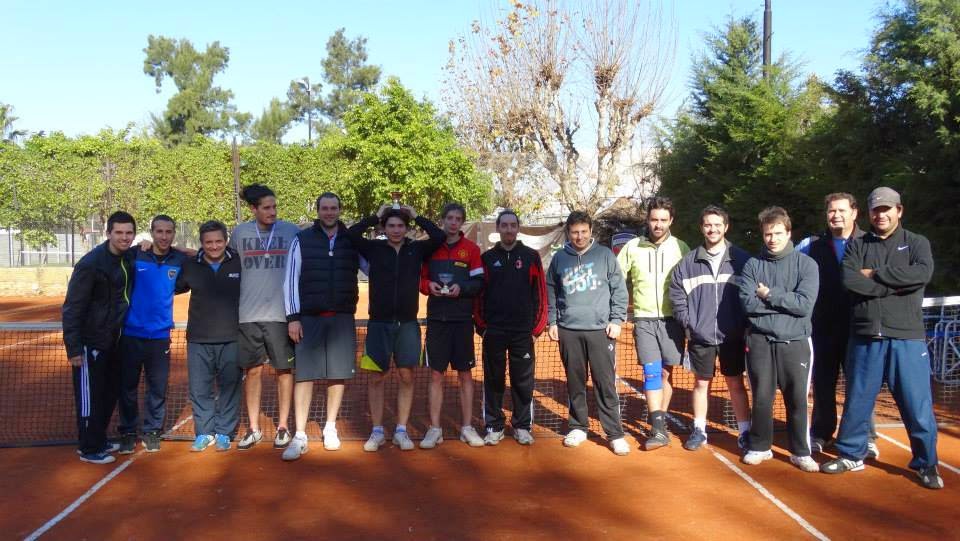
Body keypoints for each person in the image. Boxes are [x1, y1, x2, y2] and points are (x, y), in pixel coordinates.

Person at [821, 187, 943, 490]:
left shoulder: (917, 243)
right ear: (869, 213)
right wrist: (895, 284)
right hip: (865, 336)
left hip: (907, 337)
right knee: (857, 401)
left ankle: (926, 464)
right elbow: (849, 279)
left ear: (898, 211)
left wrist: (873, 275)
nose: (881, 214)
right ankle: (851, 453)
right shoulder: (857, 244)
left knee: (917, 405)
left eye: (887, 209)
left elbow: (921, 275)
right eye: (876, 209)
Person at [347, 204, 444, 452]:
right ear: (384, 227)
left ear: (406, 227)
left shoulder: (416, 248)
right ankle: (377, 430)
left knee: (407, 376)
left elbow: (439, 236)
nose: (396, 230)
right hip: (378, 324)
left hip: (408, 324)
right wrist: (376, 214)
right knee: (376, 377)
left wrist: (416, 215)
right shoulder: (374, 249)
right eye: (390, 225)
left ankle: (401, 430)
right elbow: (352, 234)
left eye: (401, 225)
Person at [796, 193, 879, 459]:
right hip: (823, 328)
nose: (836, 216)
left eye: (842, 210)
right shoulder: (812, 245)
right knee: (823, 383)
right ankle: (821, 432)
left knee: (861, 384)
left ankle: (866, 437)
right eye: (831, 211)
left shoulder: (872, 243)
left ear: (855, 213)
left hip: (861, 327)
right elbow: (786, 260)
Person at [280, 193, 361, 461]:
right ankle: (300, 434)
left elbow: (374, 268)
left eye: (334, 208)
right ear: (317, 211)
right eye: (324, 208)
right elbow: (291, 279)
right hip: (309, 319)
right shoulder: (301, 239)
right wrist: (293, 317)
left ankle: (330, 427)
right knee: (305, 375)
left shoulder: (352, 240)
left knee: (337, 375)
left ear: (340, 210)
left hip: (341, 317)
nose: (329, 212)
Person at [738, 207, 819, 472]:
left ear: (789, 233)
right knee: (762, 397)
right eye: (768, 234)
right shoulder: (753, 265)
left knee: (796, 399)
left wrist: (769, 294)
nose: (772, 238)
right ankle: (760, 446)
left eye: (778, 233)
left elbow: (804, 305)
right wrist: (783, 301)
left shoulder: (806, 265)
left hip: (795, 342)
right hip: (760, 342)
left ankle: (801, 451)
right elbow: (748, 304)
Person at [669, 205, 752, 451]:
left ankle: (745, 431)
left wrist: (743, 325)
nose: (712, 229)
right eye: (708, 225)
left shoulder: (743, 259)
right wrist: (689, 323)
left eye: (717, 225)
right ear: (702, 227)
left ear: (726, 227)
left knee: (735, 384)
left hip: (732, 337)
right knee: (701, 383)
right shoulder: (688, 262)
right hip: (700, 336)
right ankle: (699, 429)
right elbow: (676, 294)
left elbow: (751, 296)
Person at [547, 211, 630, 455]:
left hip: (601, 331)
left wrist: (616, 320)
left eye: (584, 231)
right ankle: (578, 427)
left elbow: (619, 289)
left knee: (605, 384)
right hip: (569, 330)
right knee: (575, 383)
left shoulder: (604, 255)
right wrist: (553, 321)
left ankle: (614, 433)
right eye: (575, 232)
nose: (579, 236)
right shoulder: (560, 258)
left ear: (591, 231)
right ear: (568, 233)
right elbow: (551, 291)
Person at [62, 211, 136, 464]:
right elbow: (73, 307)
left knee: (108, 393)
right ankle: (89, 447)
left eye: (129, 233)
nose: (124, 237)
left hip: (113, 341)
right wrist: (73, 348)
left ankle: (99, 437)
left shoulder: (127, 258)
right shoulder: (91, 264)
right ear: (108, 234)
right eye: (119, 233)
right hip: (89, 342)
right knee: (90, 397)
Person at [231, 184, 301, 451]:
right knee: (253, 372)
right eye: (266, 208)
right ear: (254, 209)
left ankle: (283, 426)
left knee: (284, 371)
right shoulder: (239, 233)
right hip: (247, 316)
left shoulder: (291, 231)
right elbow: (221, 259)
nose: (272, 212)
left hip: (282, 316)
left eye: (274, 207)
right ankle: (253, 428)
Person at [616, 197, 689, 450]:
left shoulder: (681, 247)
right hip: (644, 319)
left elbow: (691, 284)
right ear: (647, 220)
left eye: (663, 220)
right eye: (654, 219)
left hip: (673, 322)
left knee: (667, 374)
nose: (658, 225)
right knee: (651, 372)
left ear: (671, 221)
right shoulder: (632, 247)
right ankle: (658, 429)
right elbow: (616, 279)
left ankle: (658, 419)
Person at [475, 210, 548, 445]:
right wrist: (482, 327)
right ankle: (494, 426)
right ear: (497, 228)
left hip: (522, 333)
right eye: (504, 225)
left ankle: (522, 426)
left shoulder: (531, 256)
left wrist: (536, 329)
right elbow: (478, 295)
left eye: (512, 225)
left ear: (518, 228)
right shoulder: (486, 258)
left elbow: (540, 293)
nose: (508, 229)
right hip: (494, 331)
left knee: (522, 381)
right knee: (494, 380)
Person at [117, 215, 188, 454]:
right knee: (127, 387)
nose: (164, 236)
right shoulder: (136, 254)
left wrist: (179, 248)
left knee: (157, 388)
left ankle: (152, 431)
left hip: (159, 337)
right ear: (152, 232)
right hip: (130, 334)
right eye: (159, 231)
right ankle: (127, 432)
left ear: (174, 234)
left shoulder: (178, 259)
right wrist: (140, 244)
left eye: (169, 232)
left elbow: (198, 256)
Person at [419, 203, 486, 448]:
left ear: (462, 222)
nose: (453, 222)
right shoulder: (431, 249)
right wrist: (429, 287)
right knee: (435, 375)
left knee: (465, 375)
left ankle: (467, 427)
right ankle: (435, 428)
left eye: (458, 219)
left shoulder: (472, 249)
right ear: (443, 220)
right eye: (449, 218)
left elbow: (479, 282)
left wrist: (462, 289)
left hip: (462, 321)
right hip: (437, 320)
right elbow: (421, 279)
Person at [175, 221, 243, 452]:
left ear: (226, 241)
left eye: (218, 241)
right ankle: (204, 432)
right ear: (201, 244)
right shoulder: (190, 265)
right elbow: (169, 281)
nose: (214, 246)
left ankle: (224, 432)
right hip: (198, 339)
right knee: (200, 390)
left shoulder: (240, 261)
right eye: (208, 242)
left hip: (232, 337)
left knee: (229, 388)